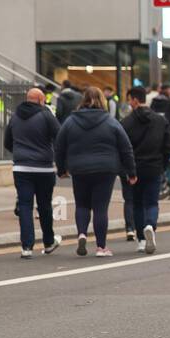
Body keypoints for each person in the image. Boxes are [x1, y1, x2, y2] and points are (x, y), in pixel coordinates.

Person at [55, 86, 136, 257]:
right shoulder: (110, 121)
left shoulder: (71, 121)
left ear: (83, 100)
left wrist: (61, 169)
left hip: (79, 170)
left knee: (82, 204)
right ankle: (101, 247)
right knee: (100, 208)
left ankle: (82, 234)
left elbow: (59, 146)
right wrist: (131, 171)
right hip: (105, 170)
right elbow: (126, 147)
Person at [4, 87, 62, 258]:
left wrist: (20, 153)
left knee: (25, 206)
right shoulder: (46, 115)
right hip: (44, 167)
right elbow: (60, 135)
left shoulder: (14, 117)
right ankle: (49, 242)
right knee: (44, 206)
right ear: (39, 100)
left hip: (21, 168)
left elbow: (8, 142)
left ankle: (27, 247)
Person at [119, 87, 170, 253]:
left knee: (136, 203)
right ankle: (150, 225)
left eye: (129, 100)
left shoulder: (126, 123)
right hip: (154, 167)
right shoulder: (160, 120)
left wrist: (126, 169)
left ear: (135, 100)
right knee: (151, 202)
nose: (129, 103)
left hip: (134, 169)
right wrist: (162, 165)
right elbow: (168, 146)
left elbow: (121, 148)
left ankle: (141, 239)